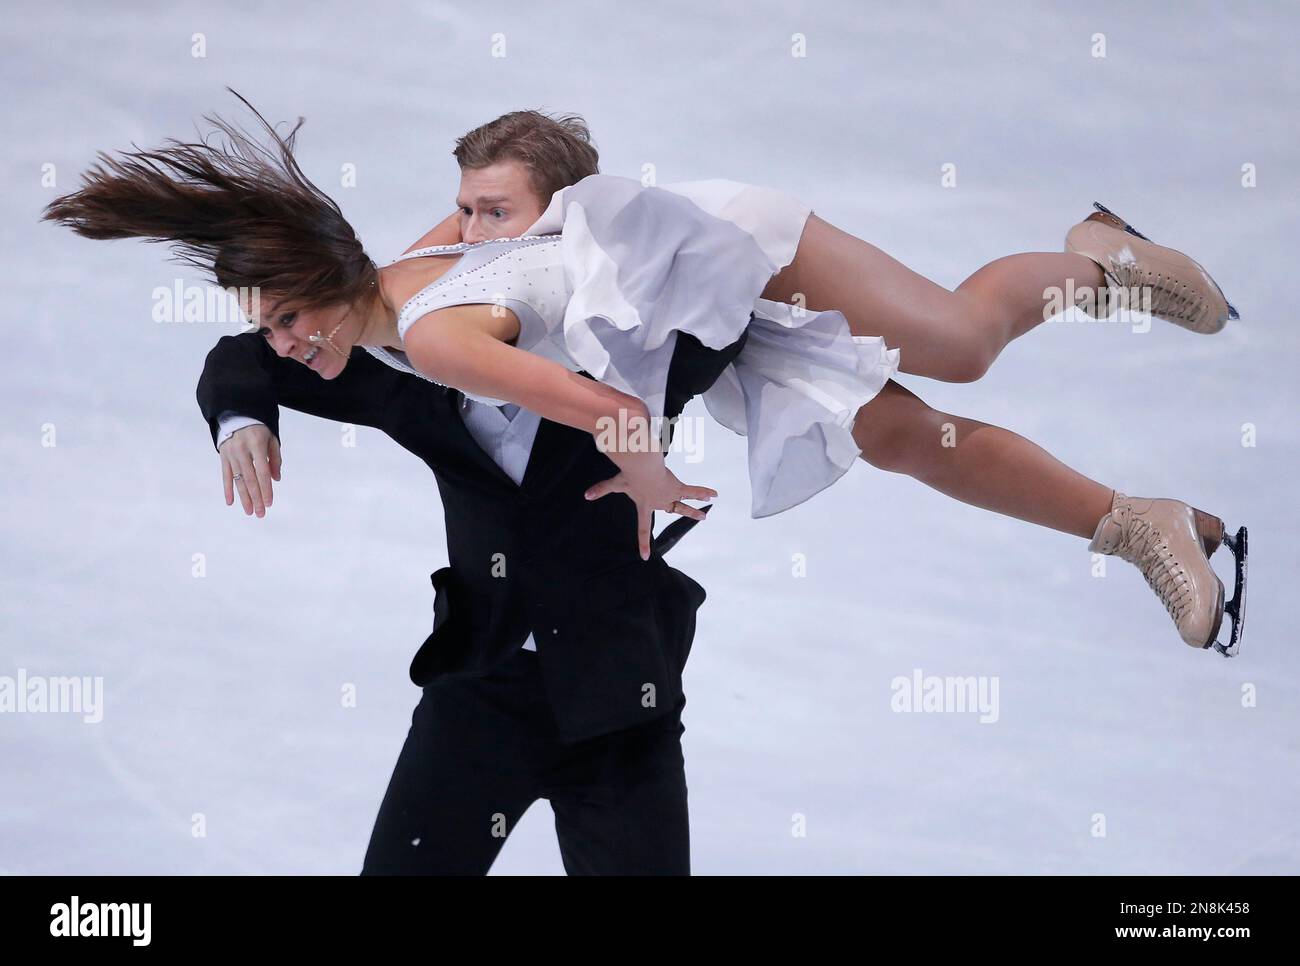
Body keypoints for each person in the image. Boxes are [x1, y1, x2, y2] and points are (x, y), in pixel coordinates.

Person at [44, 97, 1247, 665]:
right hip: (679, 328)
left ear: (324, 280)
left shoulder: (443, 334)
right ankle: (1133, 523)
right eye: (276, 333)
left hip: (724, 255)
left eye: (293, 324)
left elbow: (613, 410)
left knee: (960, 343)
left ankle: (1097, 260)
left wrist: (643, 472)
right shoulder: (375, 281)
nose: (290, 348)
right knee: (897, 439)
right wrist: (245, 410)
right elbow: (252, 353)